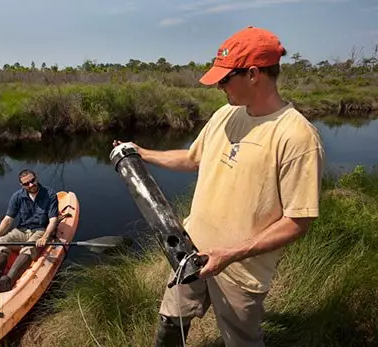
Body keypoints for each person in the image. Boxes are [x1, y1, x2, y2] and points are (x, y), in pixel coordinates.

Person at [113, 26, 324, 347]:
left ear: (254, 74)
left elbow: (298, 221)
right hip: (187, 252)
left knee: (242, 340)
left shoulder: (296, 136)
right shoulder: (225, 114)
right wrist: (142, 153)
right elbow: (193, 158)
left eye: (225, 79)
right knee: (170, 324)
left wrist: (231, 254)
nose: (219, 86)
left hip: (240, 271)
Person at [0, 169, 59, 293]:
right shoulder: (17, 196)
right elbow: (8, 220)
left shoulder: (50, 195)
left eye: (32, 181)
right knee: (2, 242)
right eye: (26, 183)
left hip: (40, 230)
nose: (31, 185)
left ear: (36, 178)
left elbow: (53, 220)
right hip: (22, 230)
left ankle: (9, 281)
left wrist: (45, 236)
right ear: (21, 185)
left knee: (29, 247)